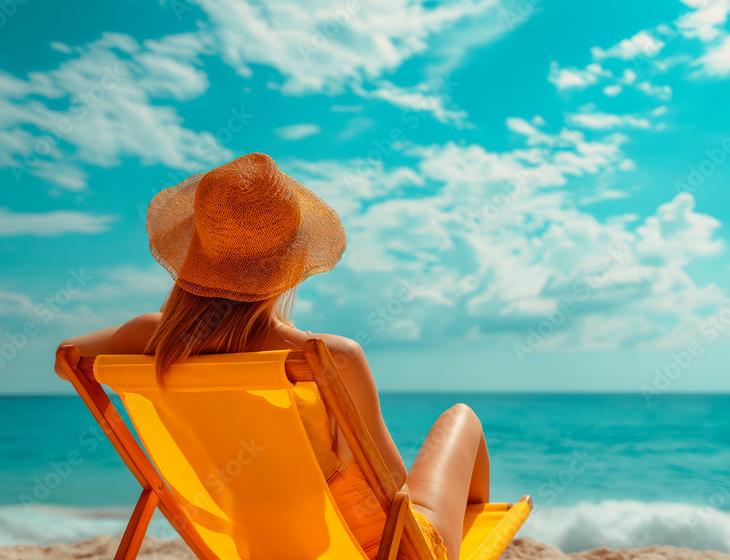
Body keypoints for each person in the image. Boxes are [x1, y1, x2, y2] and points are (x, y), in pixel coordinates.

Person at [55, 153, 490, 560]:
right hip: (380, 548)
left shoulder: (148, 336)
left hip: (254, 543)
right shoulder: (329, 357)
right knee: (462, 419)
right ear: (291, 261)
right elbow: (392, 487)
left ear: (195, 253)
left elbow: (66, 358)